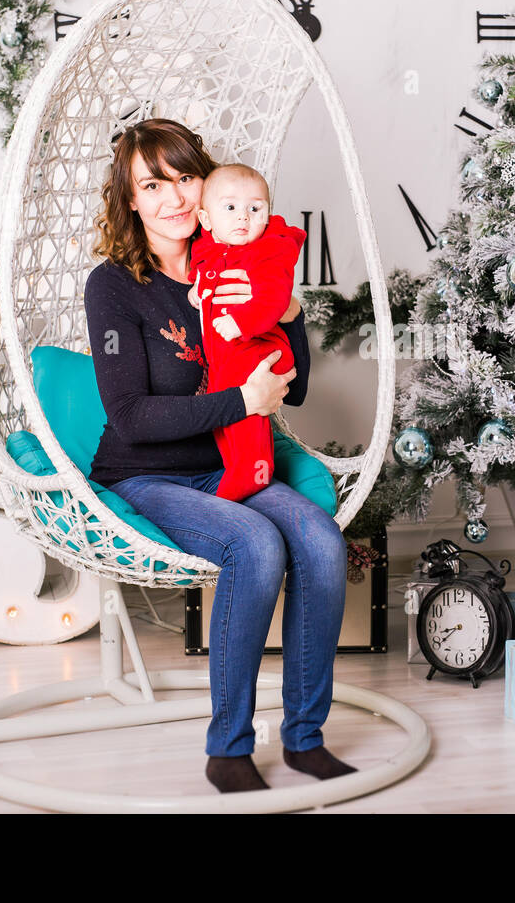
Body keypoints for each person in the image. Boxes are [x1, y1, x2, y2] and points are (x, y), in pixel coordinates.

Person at [82, 118, 355, 793]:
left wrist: (289, 314)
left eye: (185, 178)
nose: (173, 198)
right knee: (256, 545)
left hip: (233, 461)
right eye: (153, 184)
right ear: (131, 200)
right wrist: (241, 399)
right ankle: (229, 746)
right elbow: (131, 416)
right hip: (144, 473)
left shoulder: (240, 259)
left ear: (207, 187)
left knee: (320, 539)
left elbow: (297, 385)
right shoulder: (114, 287)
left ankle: (304, 737)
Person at [186, 163, 307, 502]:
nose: (243, 218)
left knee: (248, 422)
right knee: (228, 427)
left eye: (255, 209)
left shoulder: (268, 252)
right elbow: (206, 270)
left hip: (258, 351)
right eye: (231, 208)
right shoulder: (210, 247)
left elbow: (274, 296)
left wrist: (242, 322)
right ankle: (237, 470)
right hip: (229, 358)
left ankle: (254, 473)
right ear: (207, 220)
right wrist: (197, 290)